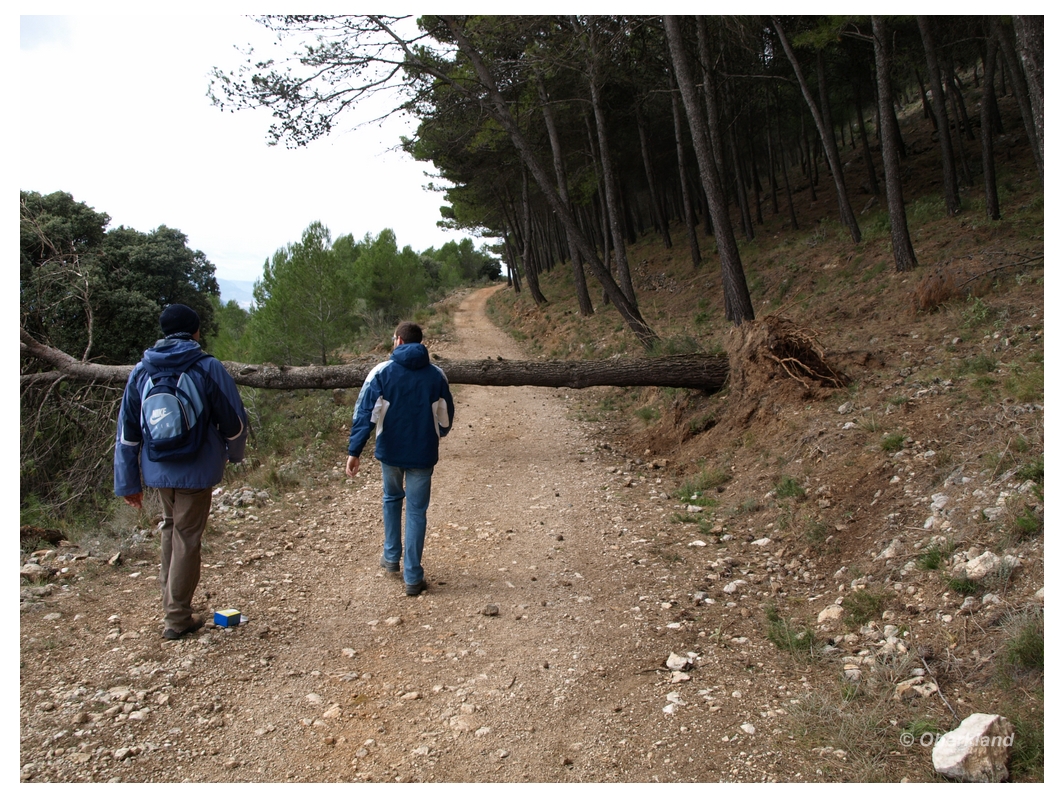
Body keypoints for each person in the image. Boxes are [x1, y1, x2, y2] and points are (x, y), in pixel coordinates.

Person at [114, 304, 249, 639]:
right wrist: (233, 454)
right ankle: (177, 618)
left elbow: (128, 431)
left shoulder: (141, 371)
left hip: (158, 467)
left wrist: (128, 482)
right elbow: (233, 420)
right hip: (196, 467)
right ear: (195, 332)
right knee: (187, 535)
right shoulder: (206, 366)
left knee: (171, 527)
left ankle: (171, 606)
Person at [346, 321, 454, 596]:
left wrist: (354, 451)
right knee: (417, 511)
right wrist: (439, 432)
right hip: (423, 452)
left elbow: (366, 413)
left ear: (399, 341)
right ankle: (413, 576)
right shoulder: (436, 374)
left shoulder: (381, 372)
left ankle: (391, 556)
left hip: (391, 451)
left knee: (392, 498)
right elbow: (445, 415)